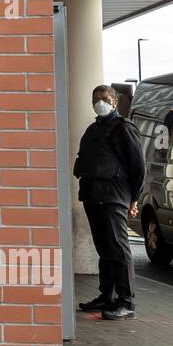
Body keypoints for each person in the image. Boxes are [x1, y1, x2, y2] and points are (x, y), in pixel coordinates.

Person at [73, 85, 145, 320]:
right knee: (104, 248)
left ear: (114, 101)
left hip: (114, 195)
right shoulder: (93, 129)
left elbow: (138, 166)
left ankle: (126, 301)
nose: (99, 102)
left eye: (104, 98)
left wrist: (134, 198)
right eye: (95, 98)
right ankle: (107, 295)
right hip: (93, 195)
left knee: (118, 247)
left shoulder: (124, 128)